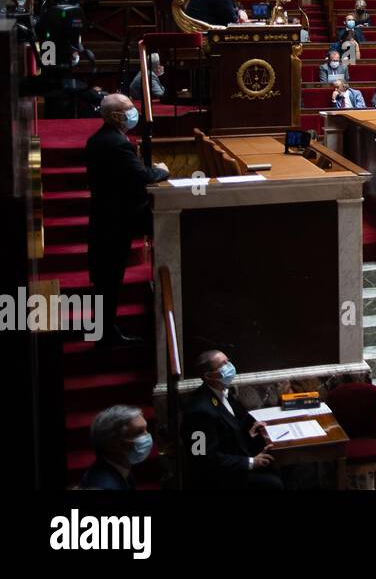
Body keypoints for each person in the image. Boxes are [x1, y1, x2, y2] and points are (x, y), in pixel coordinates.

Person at [86, 94, 168, 345]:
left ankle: (104, 329)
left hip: (105, 219)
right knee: (108, 280)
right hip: (113, 223)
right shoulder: (115, 143)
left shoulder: (99, 139)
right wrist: (162, 171)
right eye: (129, 109)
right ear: (115, 116)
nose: (134, 112)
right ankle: (105, 334)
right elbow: (141, 176)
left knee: (106, 280)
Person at [183, 350, 281, 489]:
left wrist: (248, 433)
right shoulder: (198, 413)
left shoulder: (223, 392)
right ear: (209, 376)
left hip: (237, 458)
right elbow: (203, 459)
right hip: (222, 477)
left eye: (227, 361)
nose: (229, 366)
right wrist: (252, 462)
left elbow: (228, 432)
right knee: (273, 482)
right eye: (223, 365)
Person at [81, 404, 152, 490]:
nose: (148, 436)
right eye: (139, 432)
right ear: (113, 444)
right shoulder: (105, 486)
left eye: (146, 430)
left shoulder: (119, 467)